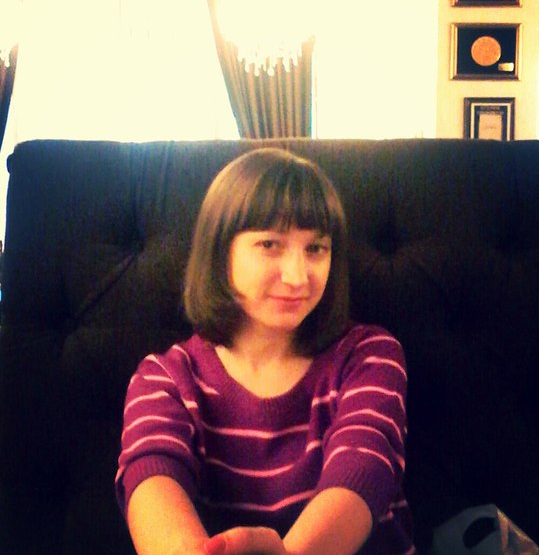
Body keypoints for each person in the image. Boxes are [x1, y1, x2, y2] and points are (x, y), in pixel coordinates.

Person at [115, 148, 415, 555]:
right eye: (270, 244)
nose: (297, 277)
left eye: (316, 249)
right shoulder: (164, 378)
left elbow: (365, 467)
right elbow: (153, 481)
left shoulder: (368, 355)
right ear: (220, 252)